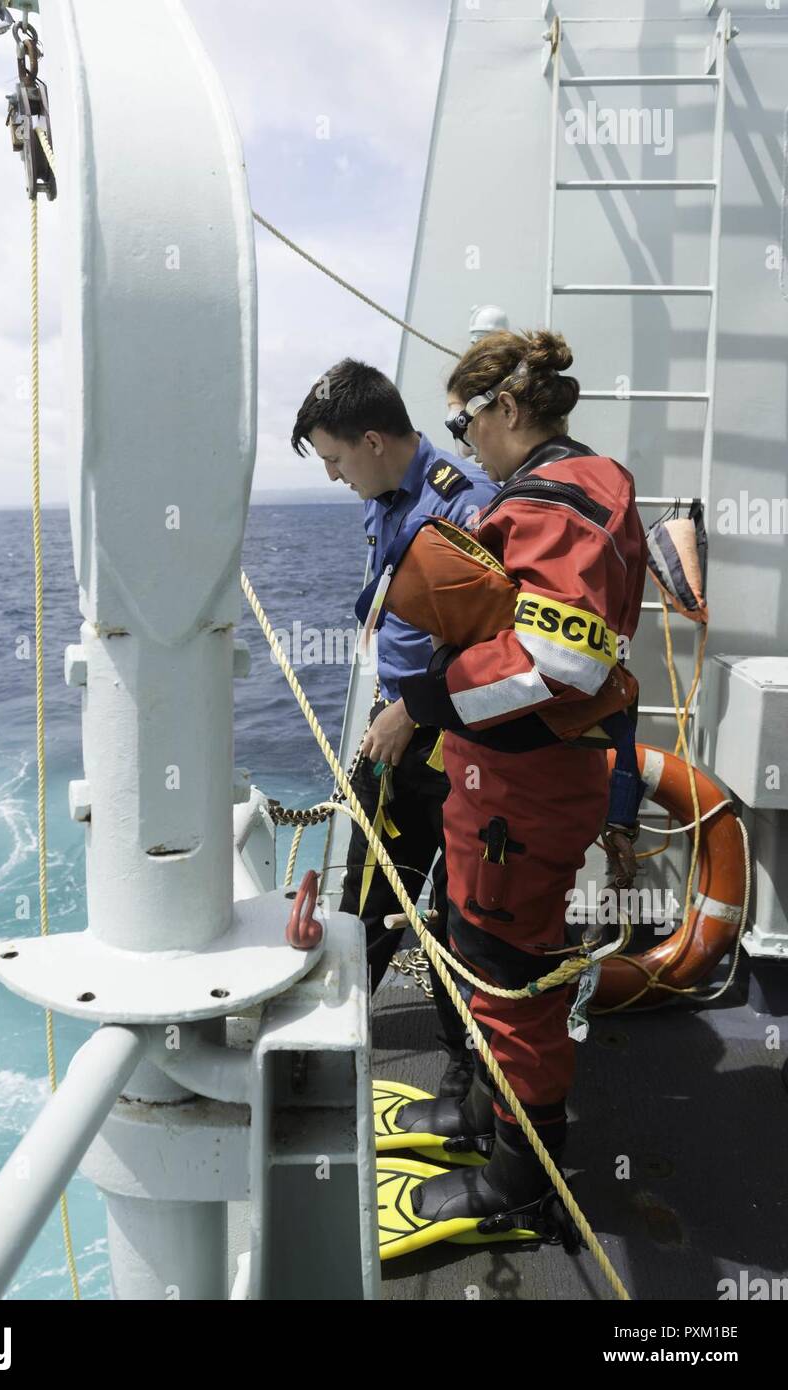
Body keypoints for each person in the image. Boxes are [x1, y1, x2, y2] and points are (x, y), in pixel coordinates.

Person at [390, 328, 647, 1226]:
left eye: (465, 425)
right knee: (469, 949)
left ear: (506, 407)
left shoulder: (558, 502)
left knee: (511, 984)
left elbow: (555, 662)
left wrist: (427, 696)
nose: (465, 446)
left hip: (522, 794)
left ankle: (522, 1179)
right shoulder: (582, 489)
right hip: (495, 788)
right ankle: (477, 1114)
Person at [291, 358, 498, 1095]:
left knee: (454, 914)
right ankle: (336, 1038)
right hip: (400, 729)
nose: (333, 476)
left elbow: (498, 643)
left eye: (336, 458)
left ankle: (471, 1078)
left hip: (443, 738)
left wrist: (409, 712)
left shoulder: (466, 504)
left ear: (374, 441)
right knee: (373, 892)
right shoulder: (386, 497)